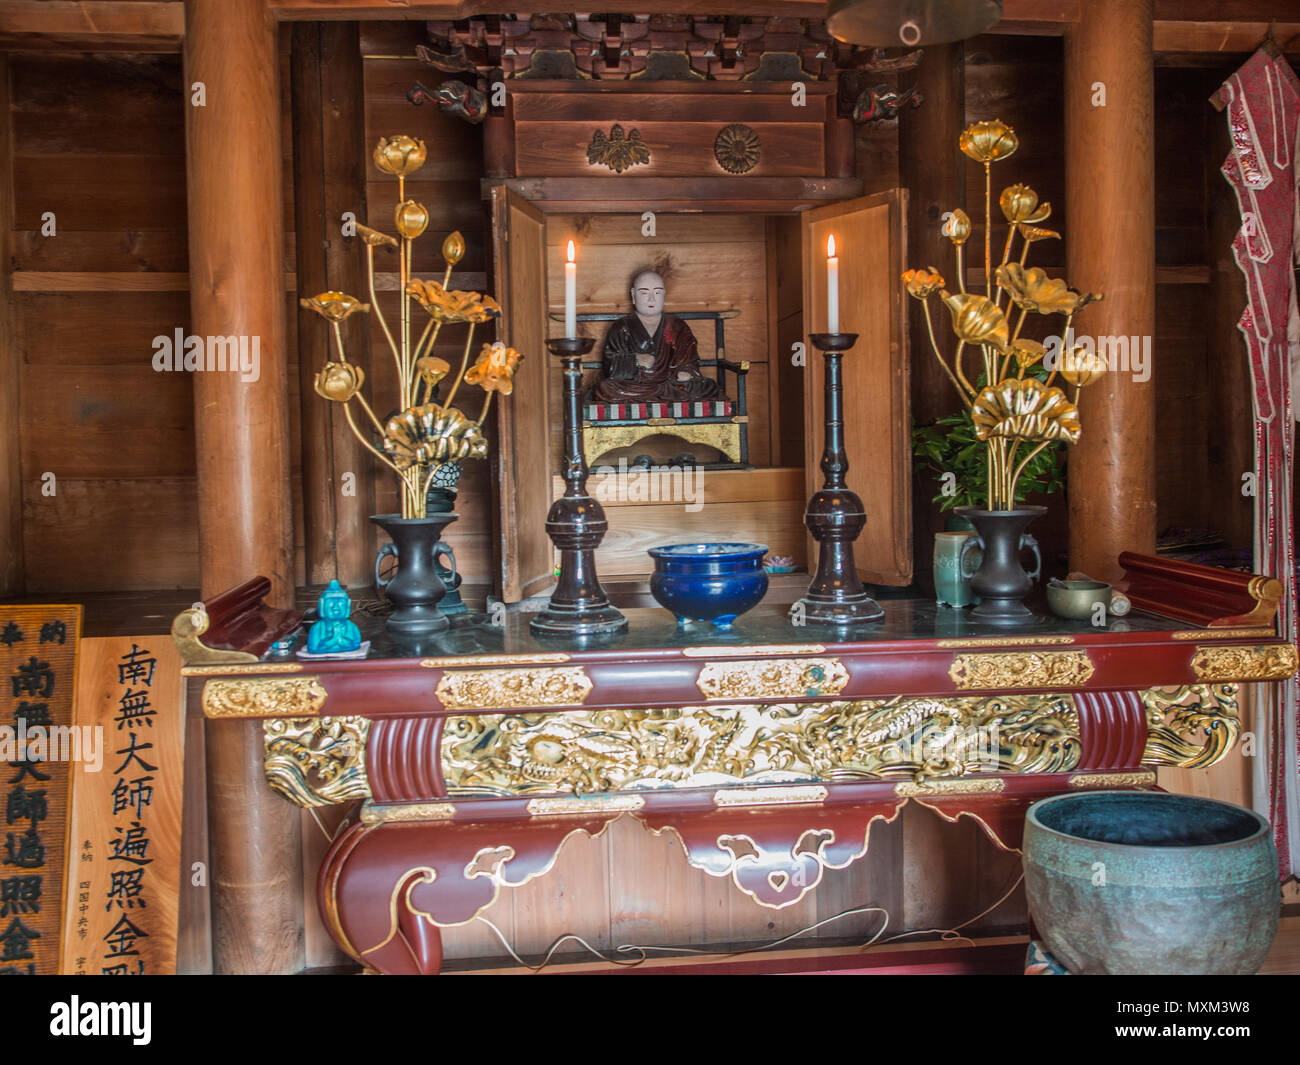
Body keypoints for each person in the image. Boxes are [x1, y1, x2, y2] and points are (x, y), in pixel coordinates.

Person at [589, 269, 721, 404]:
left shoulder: (677, 326)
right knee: (606, 388)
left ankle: (655, 397)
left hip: (670, 384)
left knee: (707, 386)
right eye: (644, 293)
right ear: (634, 296)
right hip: (634, 387)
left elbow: (689, 359)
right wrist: (634, 360)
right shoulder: (622, 327)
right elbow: (611, 365)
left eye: (657, 292)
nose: (651, 298)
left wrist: (686, 372)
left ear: (664, 294)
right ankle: (658, 397)